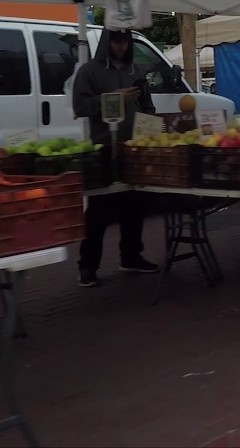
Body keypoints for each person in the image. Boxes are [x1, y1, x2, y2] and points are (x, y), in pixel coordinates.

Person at [71, 29, 160, 287]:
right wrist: (112, 99)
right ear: (106, 42)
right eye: (116, 41)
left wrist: (149, 124)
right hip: (104, 148)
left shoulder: (135, 70)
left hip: (133, 147)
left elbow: (147, 104)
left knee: (135, 204)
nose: (121, 46)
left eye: (125, 42)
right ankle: (88, 266)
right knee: (99, 209)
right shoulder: (89, 71)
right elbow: (80, 106)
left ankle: (131, 256)